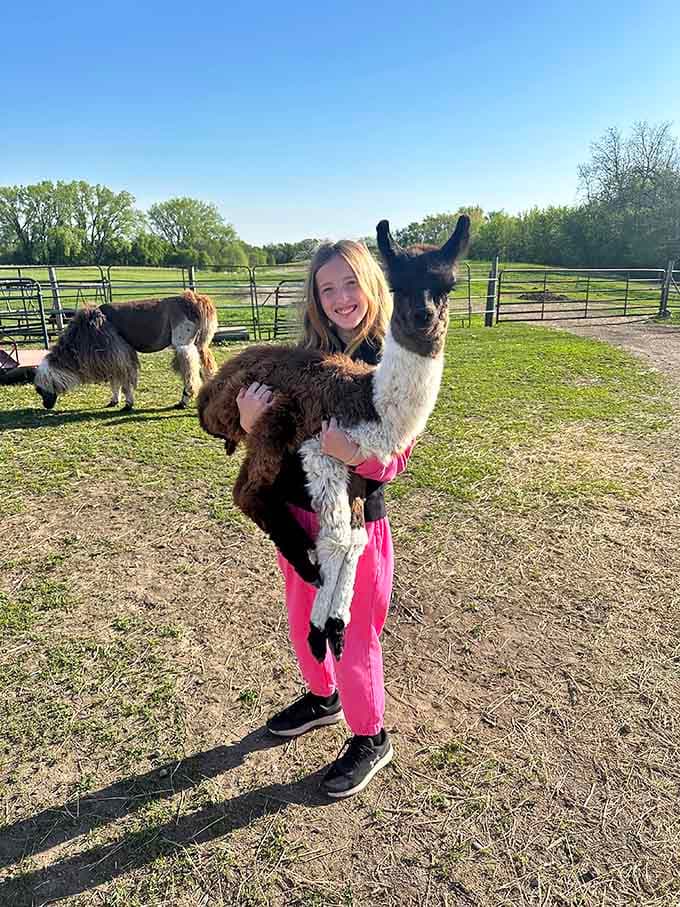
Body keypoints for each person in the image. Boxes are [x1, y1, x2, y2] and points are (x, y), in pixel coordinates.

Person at [236, 240, 414, 798]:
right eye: (327, 288)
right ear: (315, 298)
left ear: (371, 284)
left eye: (349, 283)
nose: (340, 298)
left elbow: (398, 457)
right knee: (301, 615)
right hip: (295, 510)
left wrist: (351, 453)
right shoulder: (300, 356)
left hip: (354, 524)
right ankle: (323, 696)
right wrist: (248, 421)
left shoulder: (396, 360)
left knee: (355, 631)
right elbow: (275, 436)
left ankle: (370, 735)